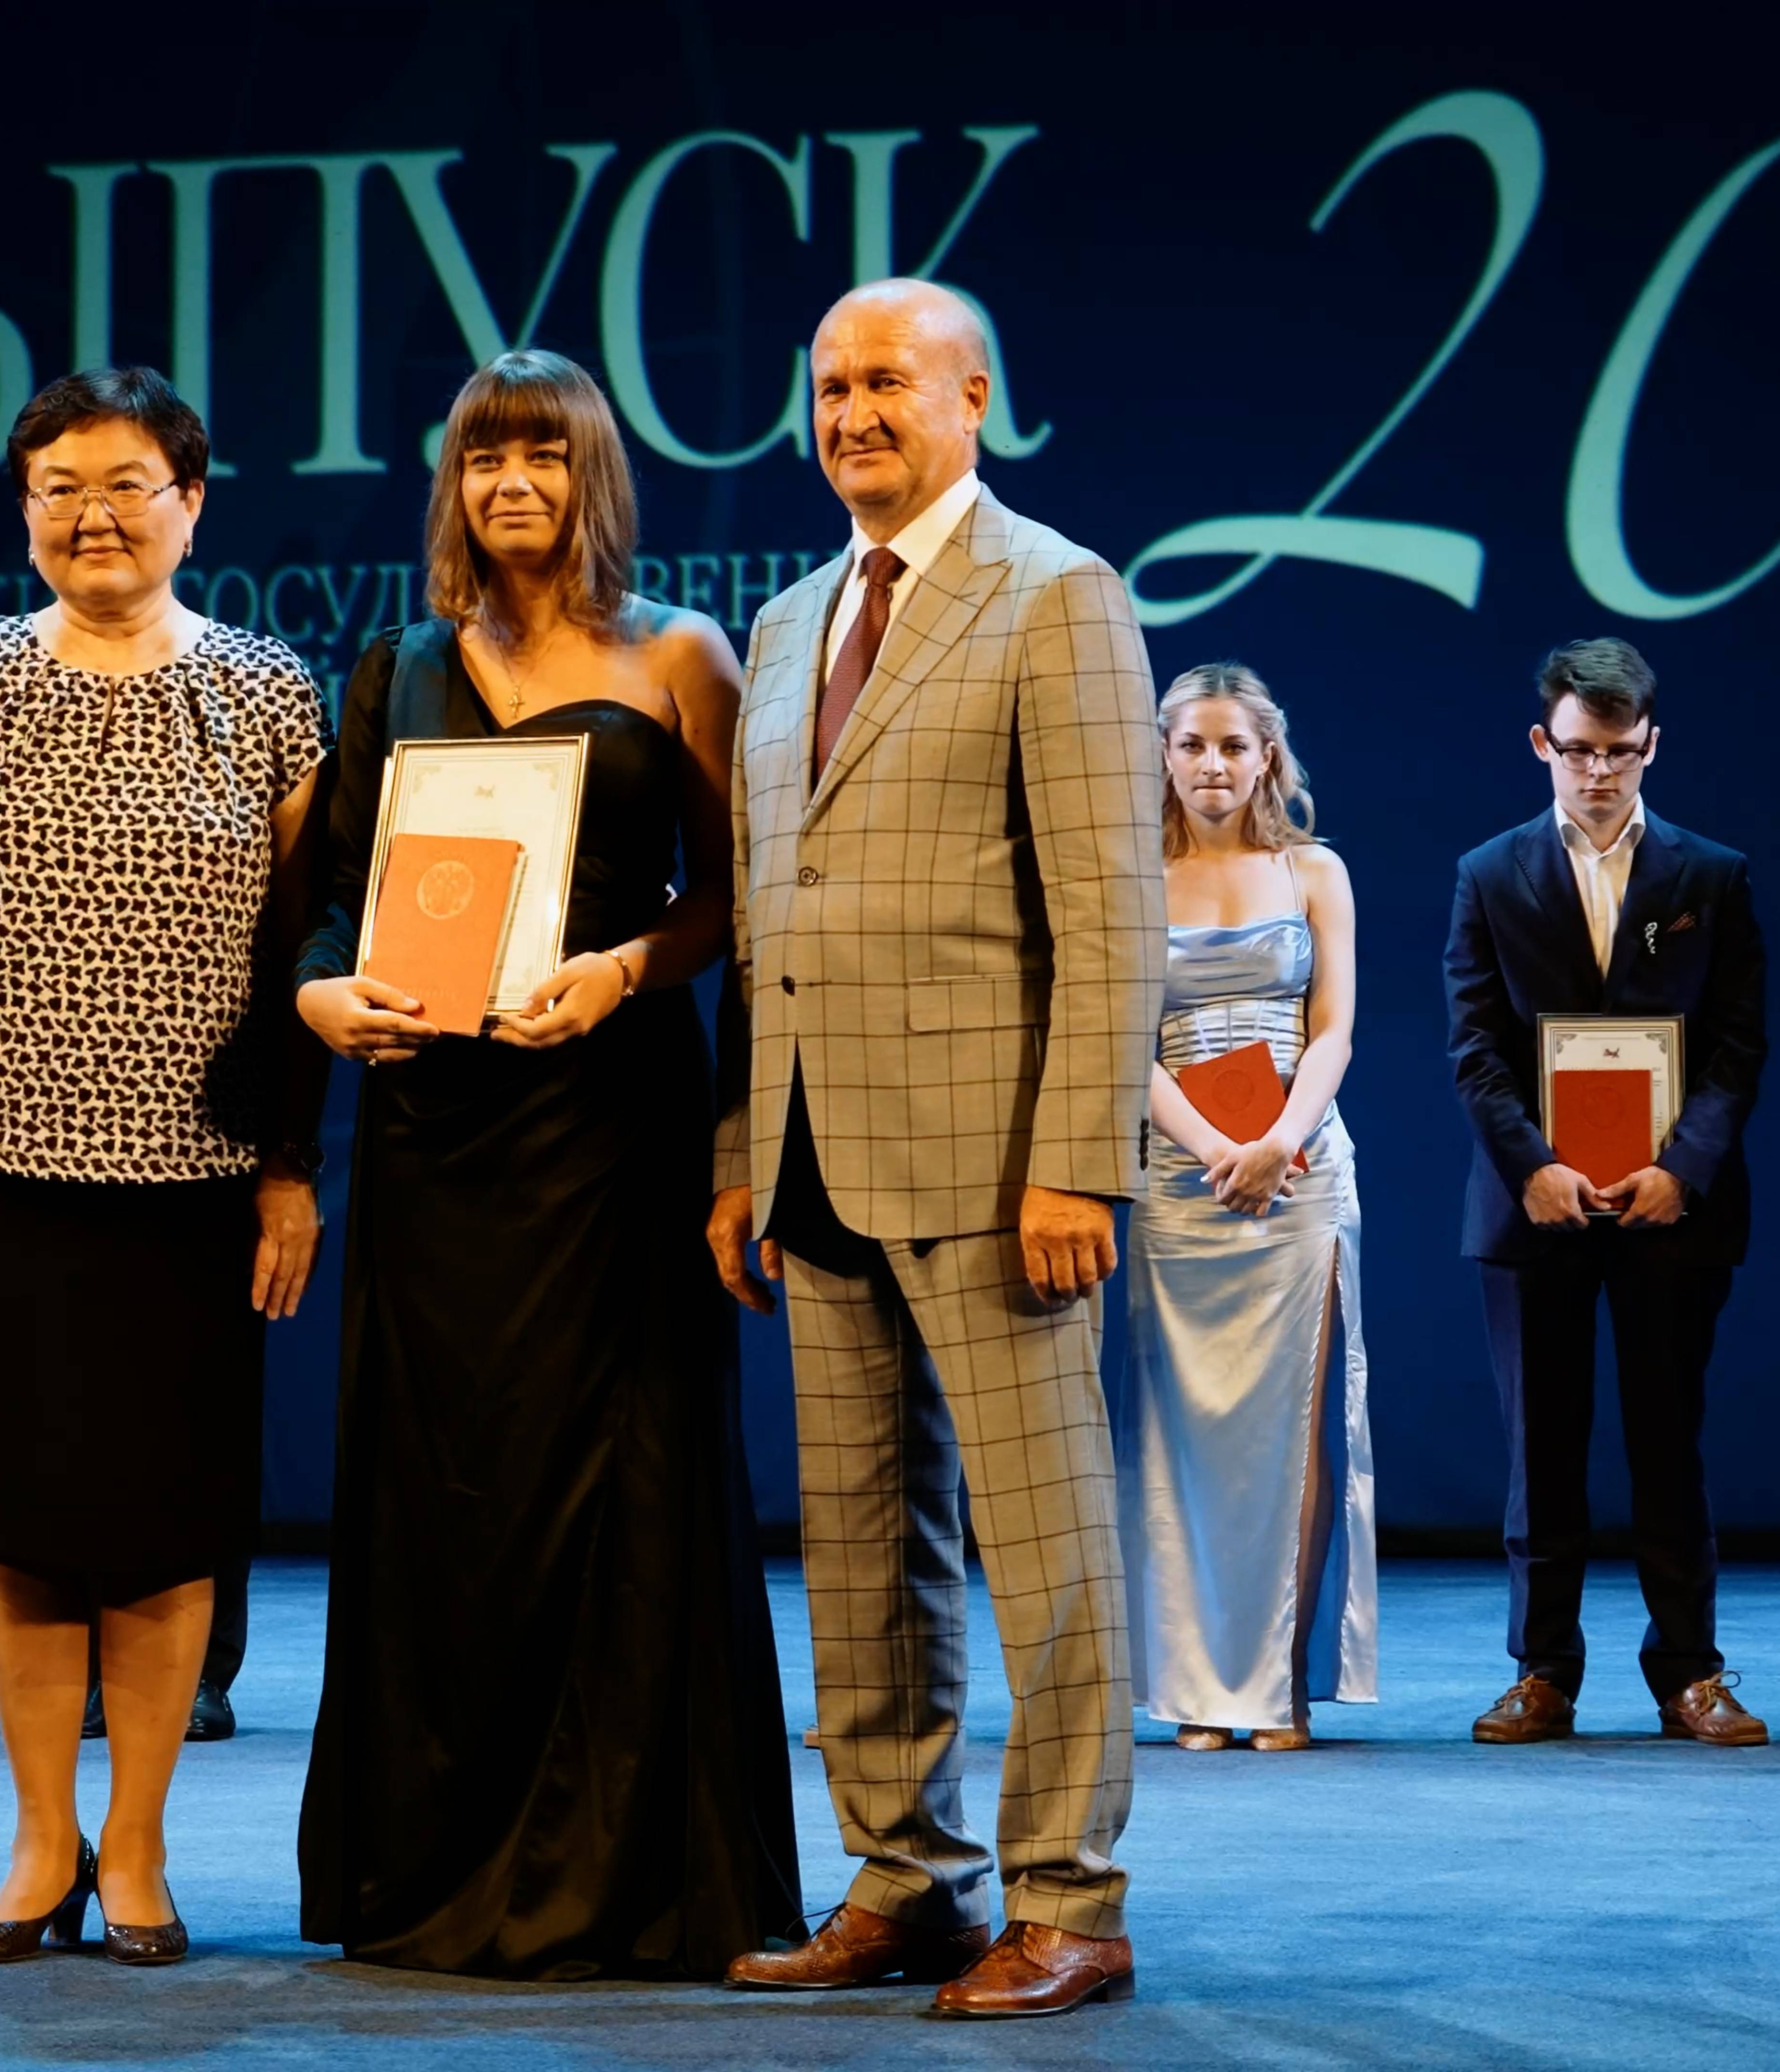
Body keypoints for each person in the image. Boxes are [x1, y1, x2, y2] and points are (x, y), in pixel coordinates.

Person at [292, 350, 800, 1978]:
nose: (512, 482)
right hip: (434, 1136)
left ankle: (631, 1880)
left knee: (627, 1484)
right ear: (452, 484)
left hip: (615, 1125)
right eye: (484, 457)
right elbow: (336, 900)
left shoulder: (682, 654)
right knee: (448, 1495)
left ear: (594, 477)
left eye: (544, 455)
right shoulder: (395, 666)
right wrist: (319, 995)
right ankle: (430, 1870)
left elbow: (737, 904)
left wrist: (627, 972)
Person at [705, 279, 1161, 2020]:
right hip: (817, 1156)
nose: (852, 413)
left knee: (1046, 1551)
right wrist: (743, 1146)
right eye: (830, 386)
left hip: (997, 1169)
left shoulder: (1058, 592)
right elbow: (768, 911)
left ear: (974, 397)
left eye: (887, 380)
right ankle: (909, 1880)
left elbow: (1111, 908)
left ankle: (1072, 1904)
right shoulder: (787, 620)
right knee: (858, 1548)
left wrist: (1080, 1160)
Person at [0, 366, 326, 1968]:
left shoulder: (265, 690)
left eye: (126, 484)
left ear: (192, 503)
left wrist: (286, 1166)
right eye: (59, 488)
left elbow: (305, 950)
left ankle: (137, 1850)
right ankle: (41, 1842)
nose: (93, 516)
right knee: (29, 1524)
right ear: (25, 513)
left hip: (197, 1183)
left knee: (165, 1528)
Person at [1442, 640, 1770, 1749]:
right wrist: (1531, 1167)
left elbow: (1738, 1048)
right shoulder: (1489, 873)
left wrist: (1683, 1169)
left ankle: (1690, 1674)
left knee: (1670, 1443)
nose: (1599, 772)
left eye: (1620, 752)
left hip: (1670, 1207)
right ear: (1544, 743)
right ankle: (1543, 1673)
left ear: (1652, 746)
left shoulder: (1711, 875)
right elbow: (1475, 1049)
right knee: (1541, 1451)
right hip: (1532, 1206)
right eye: (1580, 750)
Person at [1115, 664, 1373, 1754]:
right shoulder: (1126, 877)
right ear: (1163, 753)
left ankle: (1278, 1687)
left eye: (1234, 745)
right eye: (1193, 745)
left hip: (1300, 1175)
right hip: (1180, 1182)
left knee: (1291, 1432)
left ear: (1268, 756)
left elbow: (1334, 1029)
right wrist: (1218, 1148)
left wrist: (1278, 1143)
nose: (1213, 765)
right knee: (1185, 1437)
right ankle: (1197, 1691)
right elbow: (1120, 1043)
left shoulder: (1316, 871)